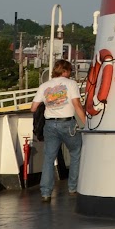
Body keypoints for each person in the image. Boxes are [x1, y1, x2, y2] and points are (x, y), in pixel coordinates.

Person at [30, 59, 86, 202]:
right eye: (70, 70)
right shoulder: (71, 84)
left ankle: (45, 193)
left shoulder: (44, 86)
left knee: (49, 158)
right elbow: (77, 105)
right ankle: (73, 188)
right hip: (67, 123)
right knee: (76, 153)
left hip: (50, 125)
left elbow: (33, 108)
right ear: (65, 71)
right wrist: (86, 124)